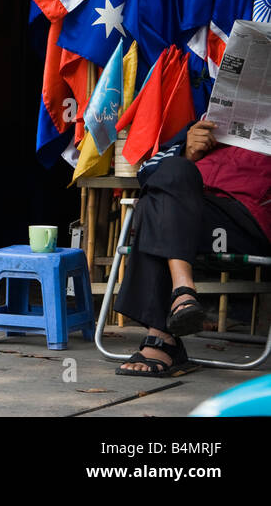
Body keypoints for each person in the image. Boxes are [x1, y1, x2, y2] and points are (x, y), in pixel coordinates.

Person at [114, 119, 271, 376]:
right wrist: (187, 149)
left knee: (155, 212)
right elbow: (147, 174)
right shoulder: (207, 120)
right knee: (173, 171)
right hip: (188, 209)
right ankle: (183, 291)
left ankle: (162, 336)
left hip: (243, 220)